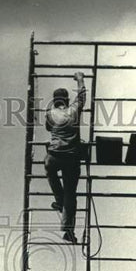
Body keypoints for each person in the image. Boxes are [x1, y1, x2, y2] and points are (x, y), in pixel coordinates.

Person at [44, 71, 87, 244]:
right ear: (67, 100)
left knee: (49, 168)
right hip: (71, 157)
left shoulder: (50, 113)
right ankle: (68, 231)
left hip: (54, 156)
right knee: (70, 193)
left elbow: (48, 128)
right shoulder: (74, 110)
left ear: (55, 101)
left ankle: (59, 200)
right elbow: (82, 96)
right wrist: (80, 79)